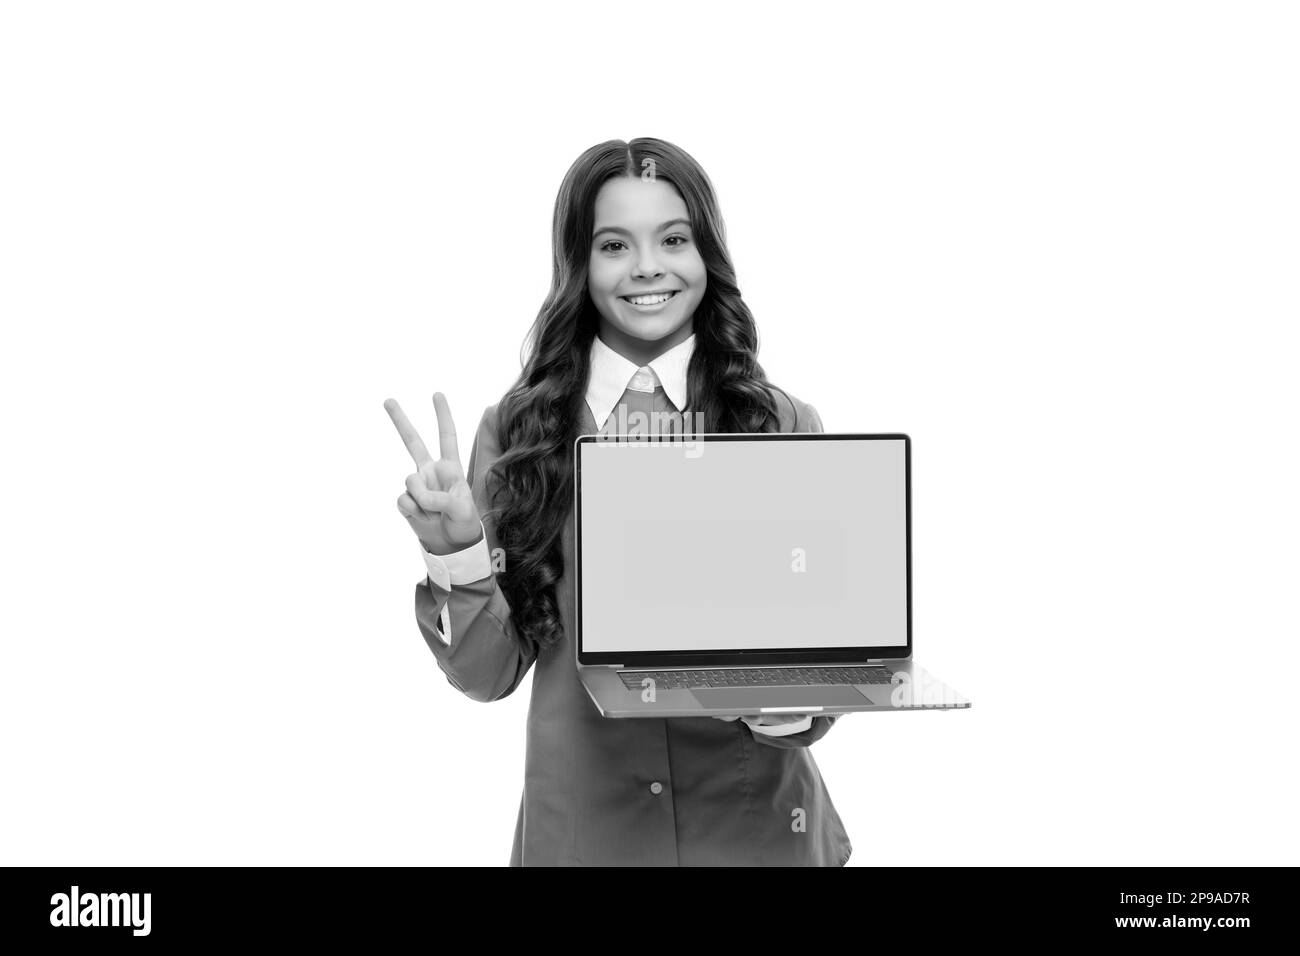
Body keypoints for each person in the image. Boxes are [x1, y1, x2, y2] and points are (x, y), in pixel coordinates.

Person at [384, 137, 852, 866]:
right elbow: (488, 673)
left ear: (708, 256)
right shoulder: (515, 435)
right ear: (579, 265)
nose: (647, 268)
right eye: (613, 244)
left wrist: (781, 704)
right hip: (586, 842)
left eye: (673, 238)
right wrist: (456, 550)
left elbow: (815, 677)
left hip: (757, 839)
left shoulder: (781, 422)